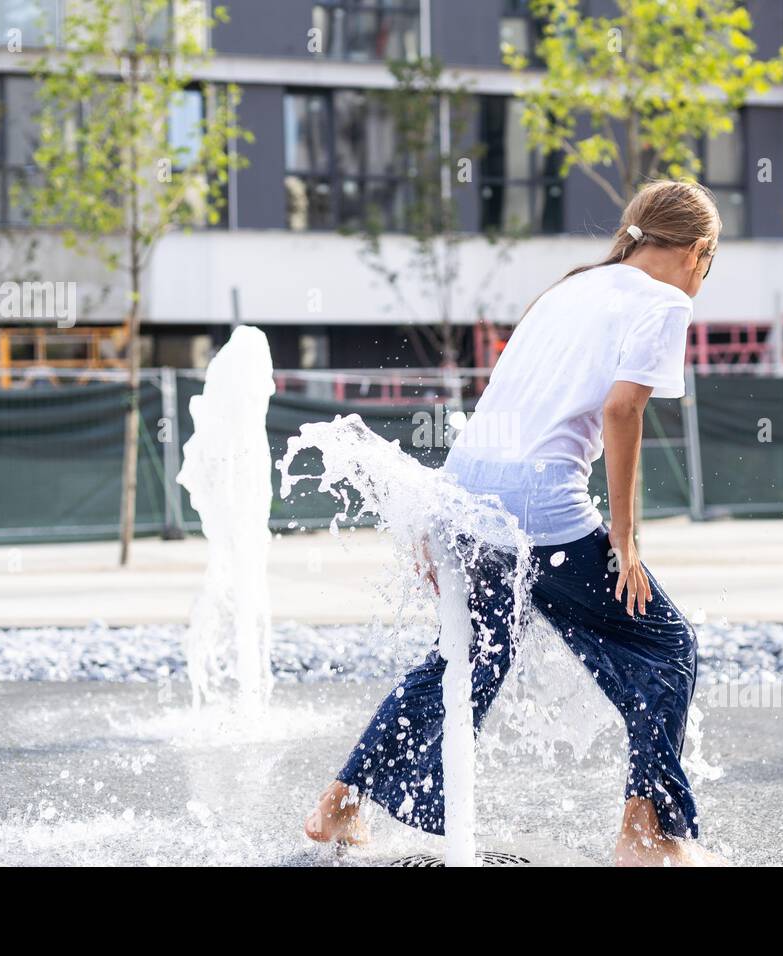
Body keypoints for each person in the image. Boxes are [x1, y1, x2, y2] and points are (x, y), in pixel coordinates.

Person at [305, 180, 725, 866]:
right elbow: (623, 411)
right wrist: (625, 539)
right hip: (539, 509)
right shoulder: (664, 300)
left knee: (469, 656)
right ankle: (646, 837)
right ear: (698, 251)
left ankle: (342, 802)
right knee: (664, 648)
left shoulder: (572, 287)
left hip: (469, 496)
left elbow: (505, 400)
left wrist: (439, 514)